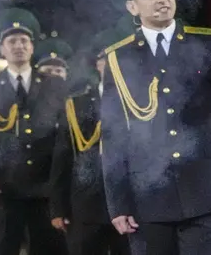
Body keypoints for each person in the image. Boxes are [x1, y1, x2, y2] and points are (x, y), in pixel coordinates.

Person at [100, 0, 211, 255]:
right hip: (149, 193)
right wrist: (118, 203)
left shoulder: (205, 42)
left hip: (203, 186)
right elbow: (114, 137)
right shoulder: (118, 59)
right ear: (132, 7)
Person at [0, 9, 67, 255]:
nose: (18, 46)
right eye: (11, 41)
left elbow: (63, 138)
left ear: (32, 48)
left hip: (45, 188)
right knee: (2, 249)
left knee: (48, 249)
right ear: (1, 49)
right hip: (4, 189)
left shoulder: (54, 85)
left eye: (24, 40)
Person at [49, 30, 128, 255]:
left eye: (119, 58)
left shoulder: (140, 103)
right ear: (97, 64)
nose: (112, 64)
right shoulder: (77, 104)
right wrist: (58, 207)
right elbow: (62, 158)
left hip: (130, 204)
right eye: (106, 59)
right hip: (85, 206)